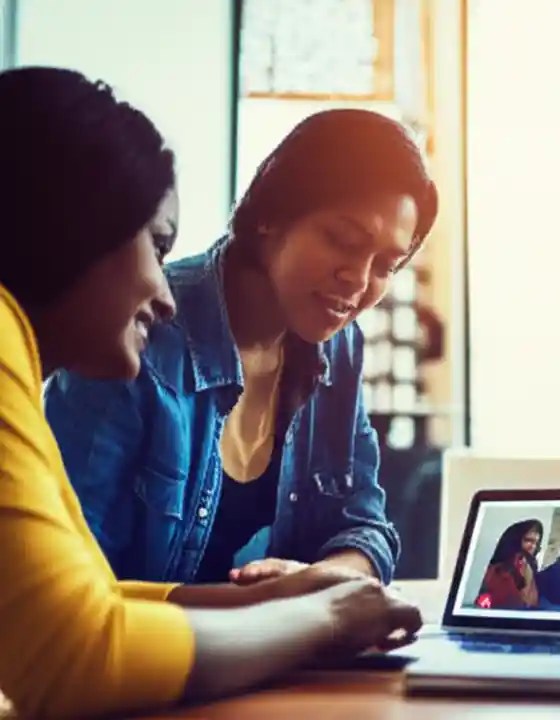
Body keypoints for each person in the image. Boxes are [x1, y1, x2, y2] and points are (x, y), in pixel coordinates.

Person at [0, 66, 422, 719]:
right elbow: (77, 643)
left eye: (388, 267)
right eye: (157, 243)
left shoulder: (336, 346)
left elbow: (82, 599)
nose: (164, 294)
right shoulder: (81, 349)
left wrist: (312, 595)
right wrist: (322, 617)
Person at [43, 107, 439, 587]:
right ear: (272, 213)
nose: (358, 281)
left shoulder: (338, 348)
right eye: (342, 240)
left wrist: (324, 584)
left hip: (284, 653)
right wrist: (288, 610)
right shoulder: (140, 332)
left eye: (386, 265)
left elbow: (363, 525)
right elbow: (68, 582)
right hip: (143, 658)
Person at [476, 520, 543, 610]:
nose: (533, 546)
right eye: (528, 540)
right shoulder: (500, 568)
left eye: (536, 543)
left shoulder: (529, 563)